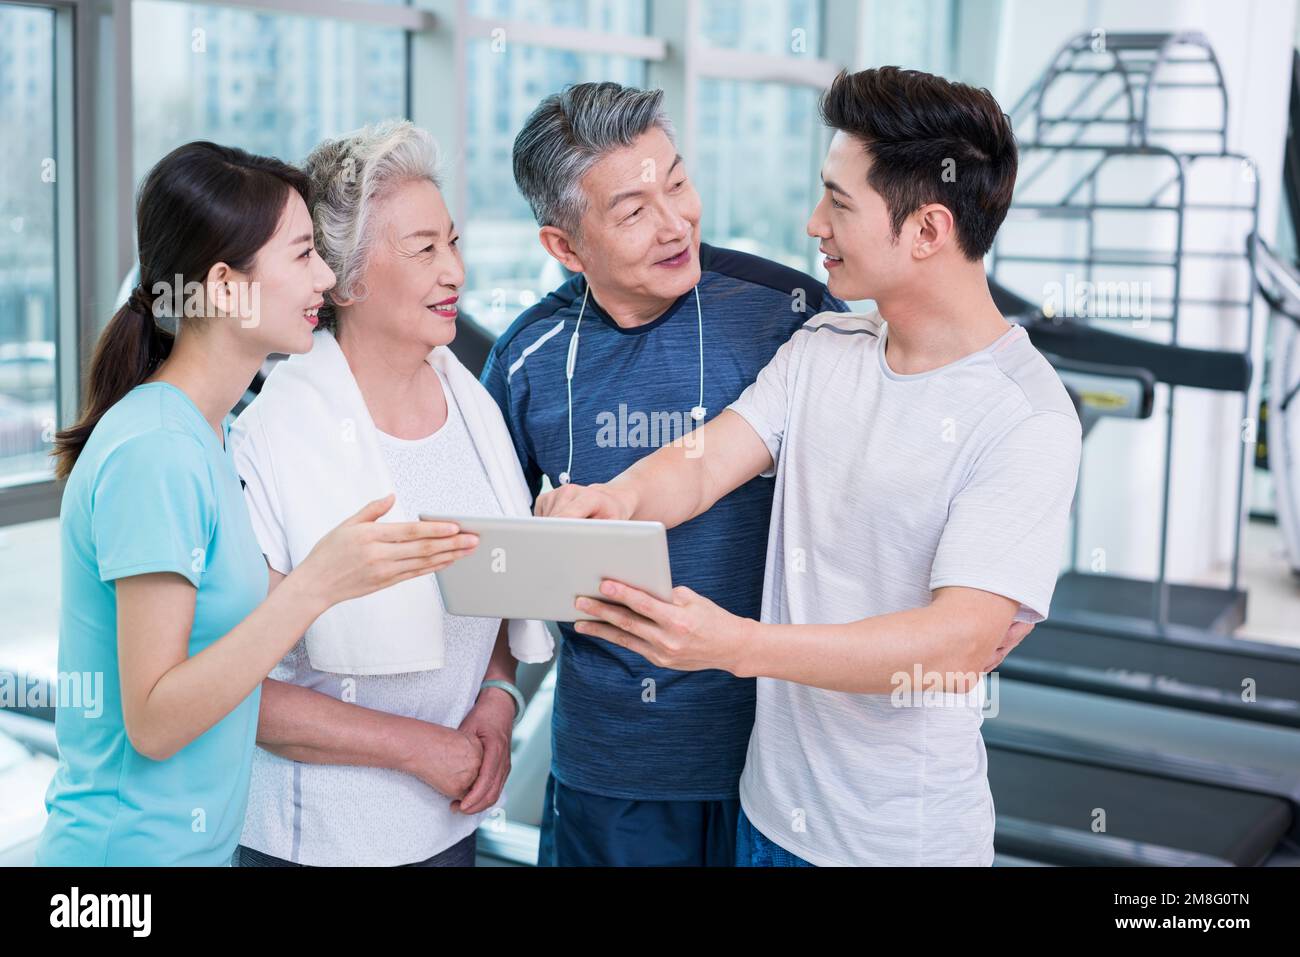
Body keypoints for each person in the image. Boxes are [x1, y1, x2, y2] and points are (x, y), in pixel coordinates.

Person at [536, 67, 1083, 867]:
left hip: (893, 844)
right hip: (768, 816)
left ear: (927, 230)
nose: (812, 223)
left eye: (839, 202)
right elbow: (704, 459)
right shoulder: (825, 348)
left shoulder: (1025, 416)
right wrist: (614, 499)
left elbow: (955, 644)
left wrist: (732, 644)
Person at [36, 141, 464, 866]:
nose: (327, 280)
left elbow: (224, 623)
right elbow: (155, 718)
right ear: (227, 286)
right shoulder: (157, 451)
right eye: (303, 256)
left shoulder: (208, 432)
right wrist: (315, 586)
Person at [230, 120, 552, 868]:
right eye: (424, 249)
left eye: (454, 242)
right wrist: (419, 749)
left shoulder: (475, 410)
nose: (455, 274)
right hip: (315, 841)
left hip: (448, 822)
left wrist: (498, 706)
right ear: (344, 279)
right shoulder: (273, 438)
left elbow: (497, 589)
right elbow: (242, 690)